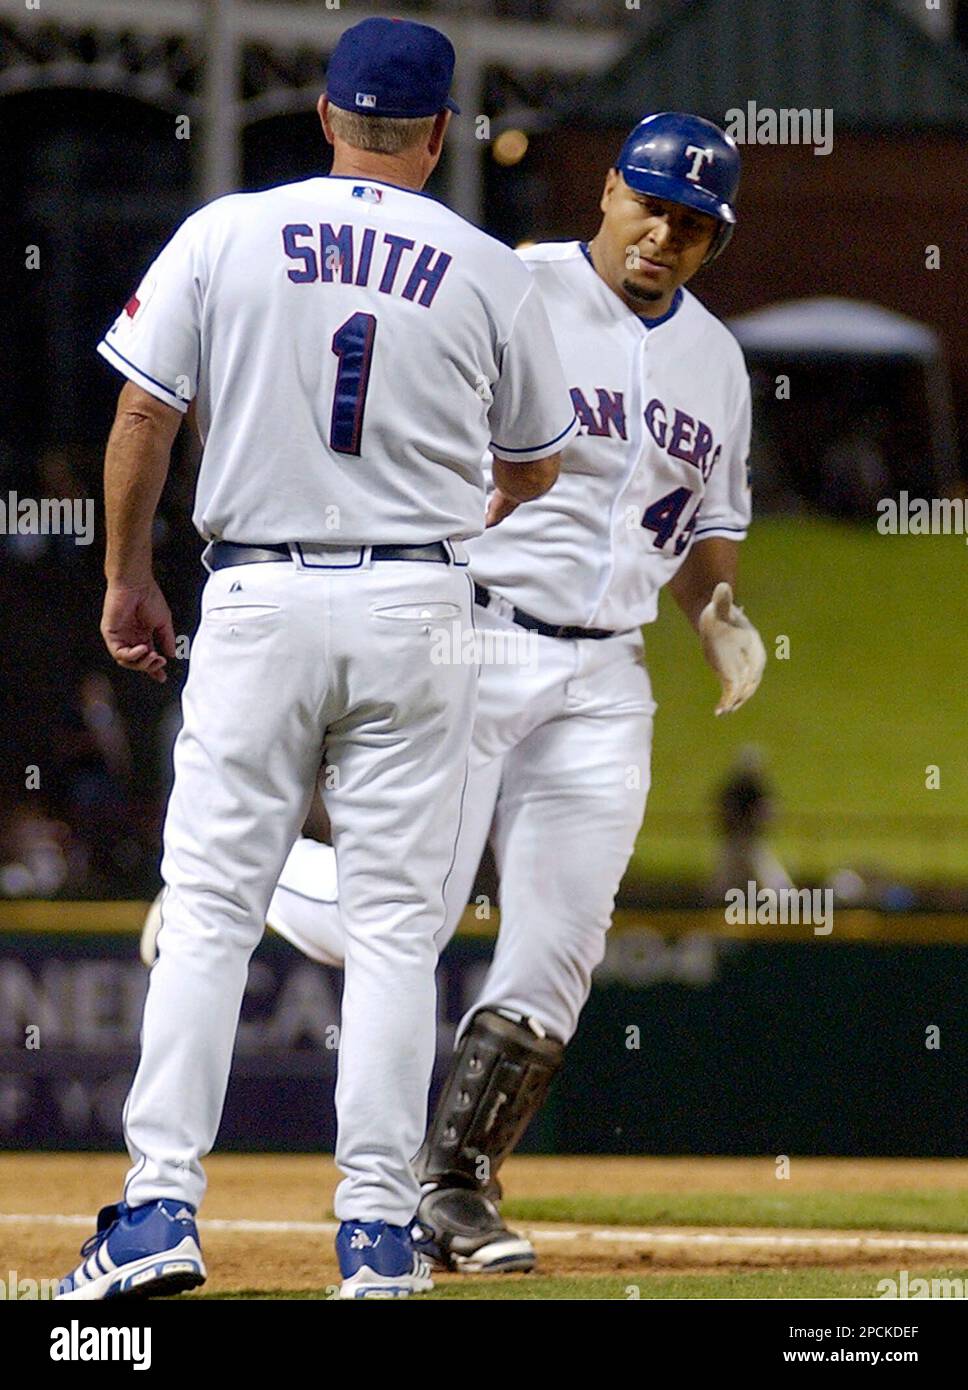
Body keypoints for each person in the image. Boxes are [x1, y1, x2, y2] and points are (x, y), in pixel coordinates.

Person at [154, 112, 768, 1275]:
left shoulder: (717, 362)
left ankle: (452, 1185)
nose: (663, 234)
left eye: (692, 225)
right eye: (650, 204)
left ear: (712, 244)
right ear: (604, 192)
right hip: (473, 632)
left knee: (560, 942)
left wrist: (718, 613)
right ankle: (235, 887)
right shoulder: (504, 282)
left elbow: (705, 524)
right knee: (405, 920)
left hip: (606, 668)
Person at [58, 16, 575, 1301]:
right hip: (420, 605)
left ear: (330, 119)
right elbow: (539, 460)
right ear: (442, 132)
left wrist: (128, 579)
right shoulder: (485, 268)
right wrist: (459, 502)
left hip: (258, 595)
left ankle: (158, 1212)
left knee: (212, 919)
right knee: (400, 936)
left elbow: (140, 411)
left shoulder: (226, 231)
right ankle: (377, 1238)